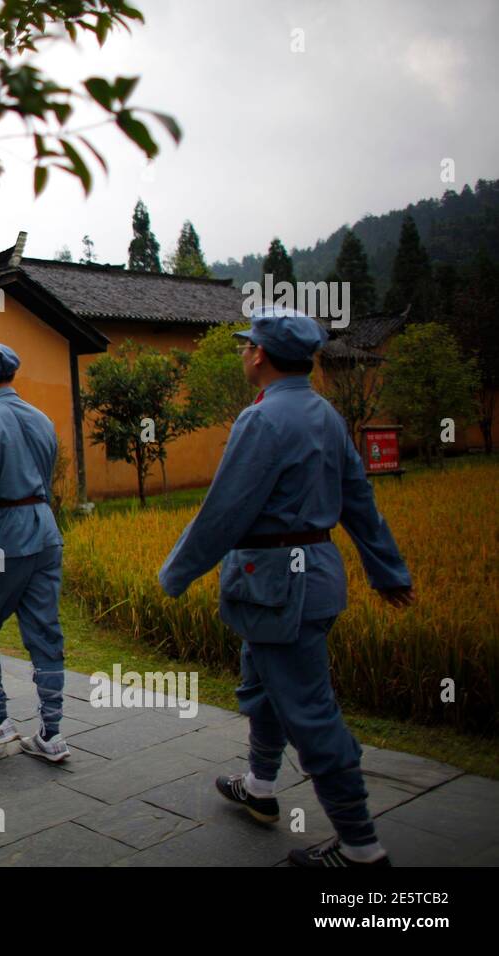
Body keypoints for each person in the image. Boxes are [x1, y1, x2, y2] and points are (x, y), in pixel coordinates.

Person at [159, 306, 414, 868]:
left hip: (278, 586)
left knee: (310, 711)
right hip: (313, 577)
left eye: (247, 346)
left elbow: (223, 511)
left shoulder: (263, 420)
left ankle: (361, 847)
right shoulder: (325, 413)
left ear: (261, 355)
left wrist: (176, 572)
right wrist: (387, 571)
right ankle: (260, 784)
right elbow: (358, 500)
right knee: (262, 683)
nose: (244, 353)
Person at [0, 343, 70, 763]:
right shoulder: (42, 419)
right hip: (45, 532)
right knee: (45, 630)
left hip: (6, 536)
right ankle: (52, 735)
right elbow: (48, 480)